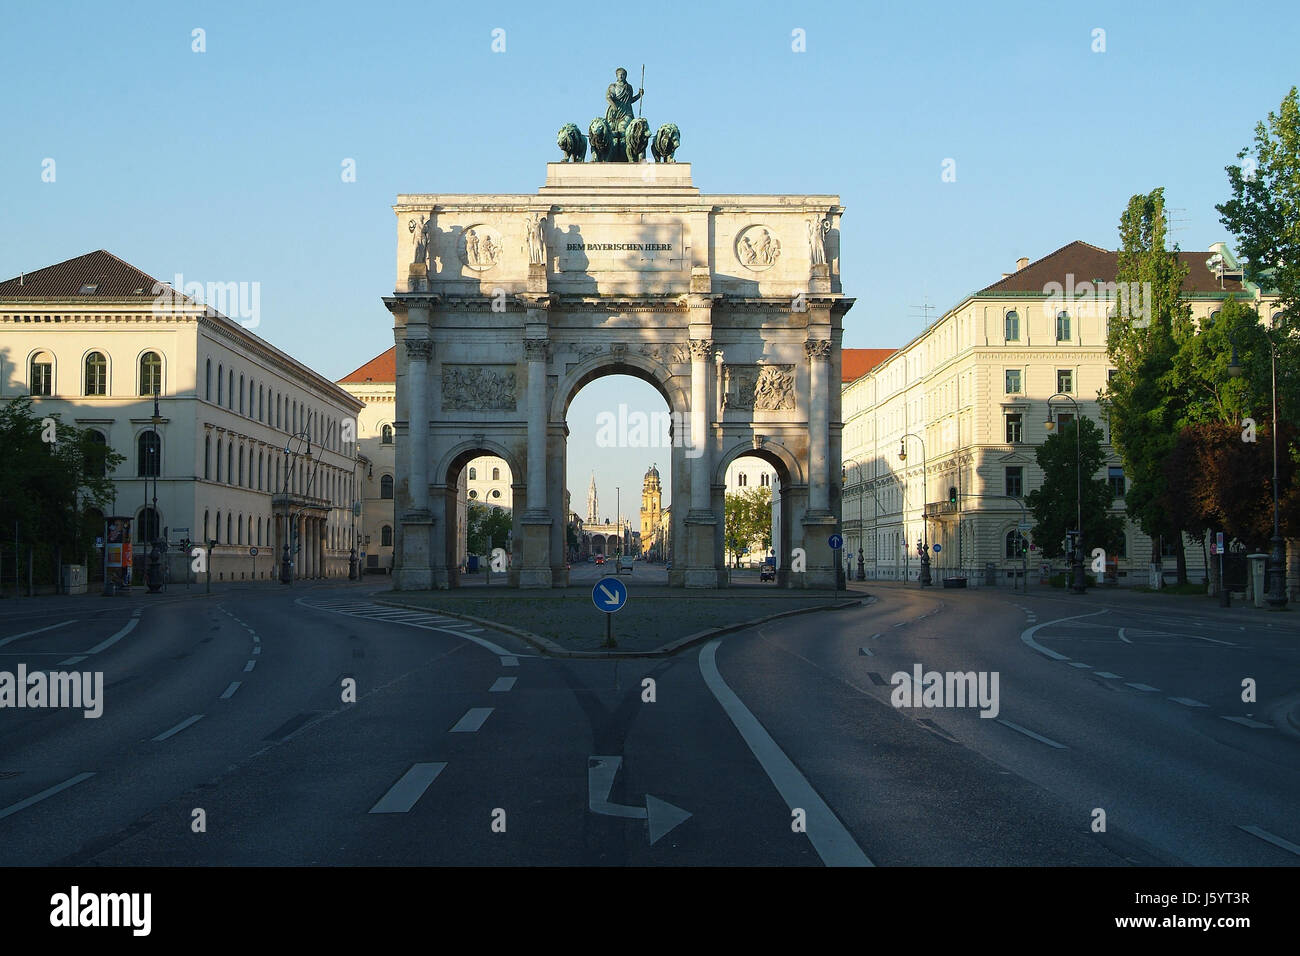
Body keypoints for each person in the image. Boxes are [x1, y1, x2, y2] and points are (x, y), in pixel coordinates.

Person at [605, 67, 643, 136]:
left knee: (623, 128)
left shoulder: (629, 87)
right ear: (617, 75)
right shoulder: (613, 86)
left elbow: (630, 100)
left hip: (626, 112)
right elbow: (608, 97)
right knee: (610, 131)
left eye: (623, 74)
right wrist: (613, 105)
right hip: (615, 113)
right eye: (620, 74)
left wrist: (639, 95)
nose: (621, 76)